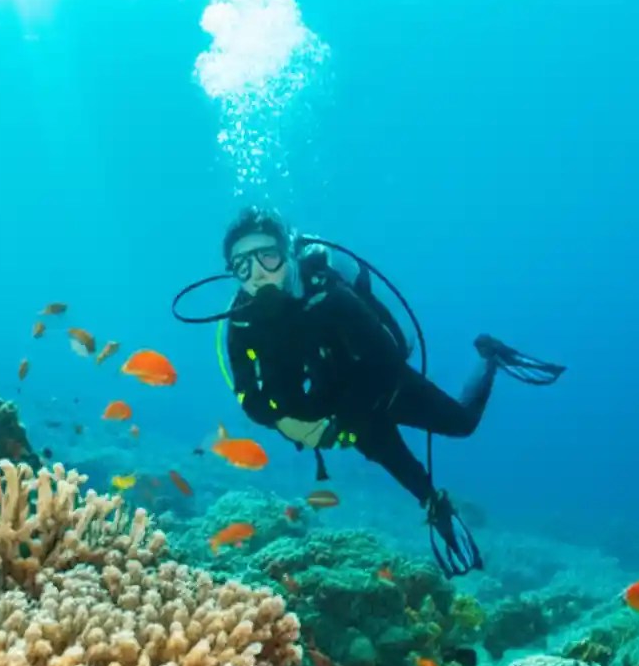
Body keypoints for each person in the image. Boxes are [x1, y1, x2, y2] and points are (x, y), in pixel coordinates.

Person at [193, 206, 566, 577]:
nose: (257, 273)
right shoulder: (241, 322)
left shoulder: (329, 295)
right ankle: (435, 506)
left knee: (463, 423)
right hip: (343, 418)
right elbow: (247, 395)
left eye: (267, 256)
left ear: (287, 254)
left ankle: (491, 356)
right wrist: (283, 421)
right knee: (419, 486)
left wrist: (336, 421)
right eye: (242, 264)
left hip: (385, 390)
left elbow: (386, 359)